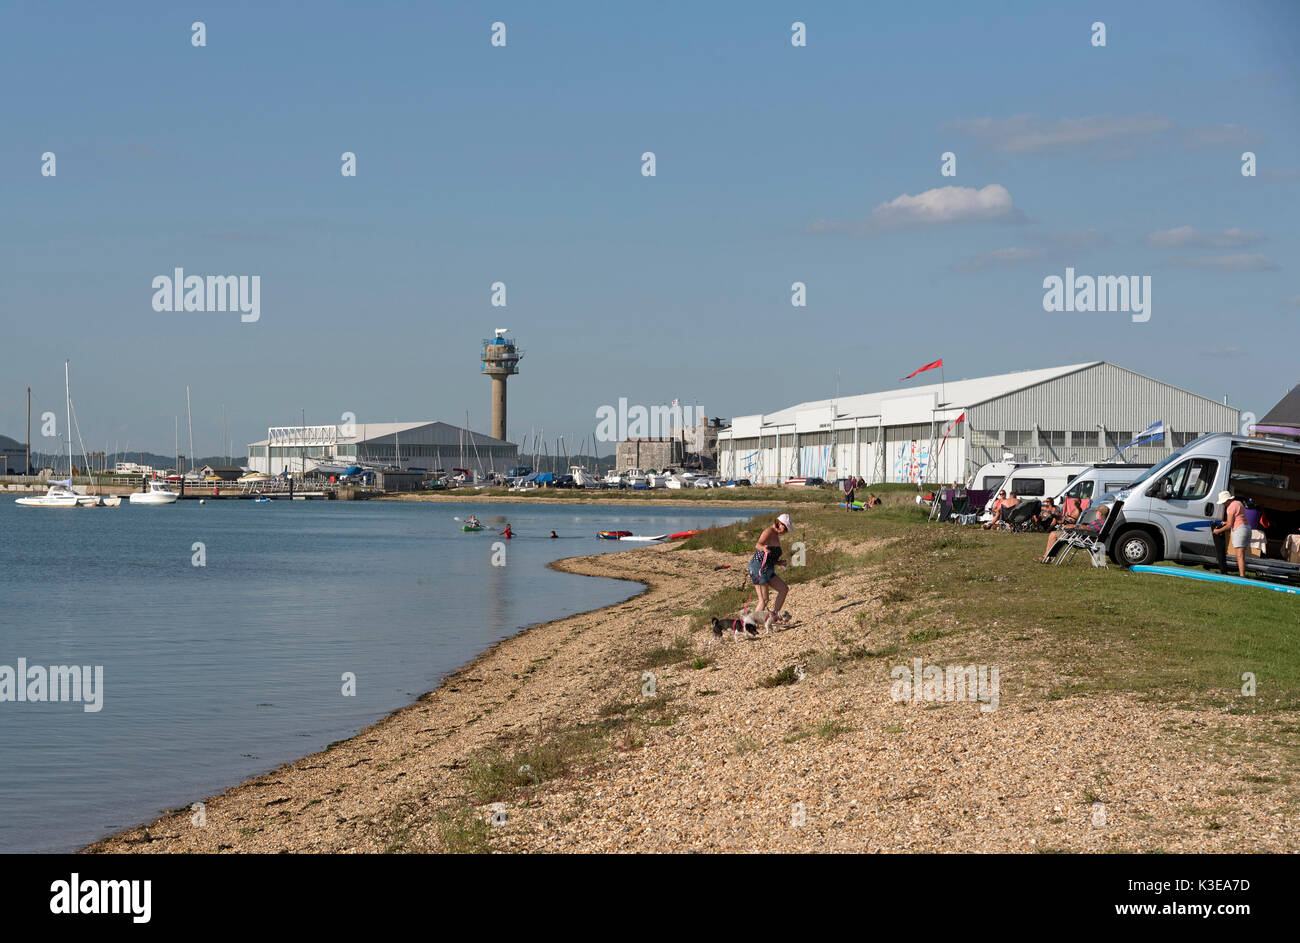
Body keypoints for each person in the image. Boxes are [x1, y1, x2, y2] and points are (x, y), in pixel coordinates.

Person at [749, 513, 793, 627]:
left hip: (768, 568)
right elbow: (758, 544)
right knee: (764, 599)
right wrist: (764, 548)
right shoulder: (768, 531)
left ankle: (773, 617)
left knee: (784, 589)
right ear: (779, 523)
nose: (786, 531)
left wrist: (778, 562)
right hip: (758, 567)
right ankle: (752, 625)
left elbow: (770, 557)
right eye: (785, 528)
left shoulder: (776, 535)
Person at [1039, 505, 1108, 562]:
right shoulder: (1100, 522)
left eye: (1097, 512)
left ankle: (1046, 557)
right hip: (1081, 536)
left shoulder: (1101, 522)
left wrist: (1075, 526)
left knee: (1053, 534)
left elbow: (1090, 529)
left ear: (1100, 513)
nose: (1096, 513)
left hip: (1082, 538)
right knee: (1056, 534)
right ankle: (1046, 557)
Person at [1212, 490, 1250, 578]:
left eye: (1223, 502)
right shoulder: (1238, 503)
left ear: (1227, 500)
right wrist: (1226, 522)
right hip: (1247, 528)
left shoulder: (1230, 508)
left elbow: (1229, 525)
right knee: (1242, 555)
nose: (1223, 504)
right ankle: (1242, 575)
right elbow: (1238, 517)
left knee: (1239, 556)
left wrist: (1218, 531)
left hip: (1239, 530)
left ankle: (1242, 577)